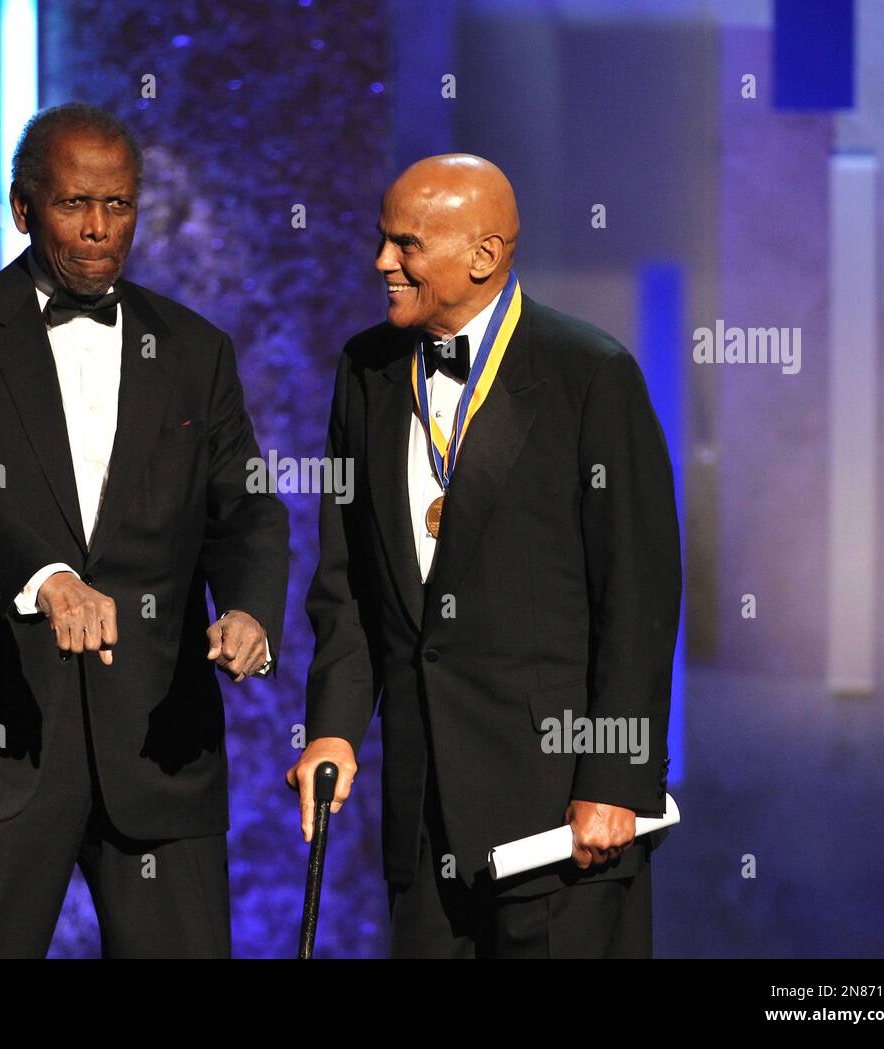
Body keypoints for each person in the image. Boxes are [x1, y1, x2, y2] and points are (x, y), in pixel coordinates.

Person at [0, 103, 289, 958]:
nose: (100, 229)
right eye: (75, 204)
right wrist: (47, 578)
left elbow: (246, 502)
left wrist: (252, 609)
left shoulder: (195, 349)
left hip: (159, 738)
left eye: (120, 206)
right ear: (23, 207)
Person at [288, 153, 681, 958]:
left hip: (561, 819)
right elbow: (349, 578)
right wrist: (333, 727)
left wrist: (615, 783)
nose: (381, 263)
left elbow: (638, 597)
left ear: (484, 255)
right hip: (423, 812)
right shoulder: (365, 371)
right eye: (381, 240)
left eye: (405, 244)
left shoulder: (590, 374)